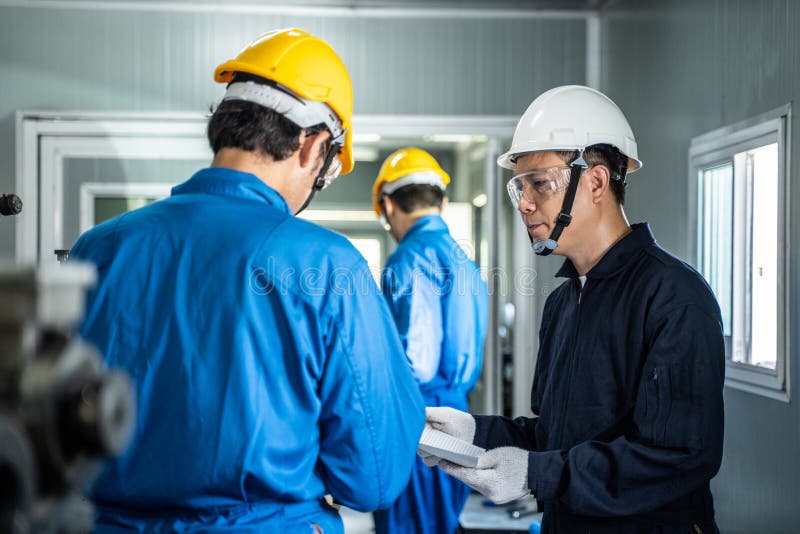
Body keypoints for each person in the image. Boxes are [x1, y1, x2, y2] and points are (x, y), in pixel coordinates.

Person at [69, 28, 425, 533]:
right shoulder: (327, 264)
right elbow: (374, 476)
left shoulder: (98, 248)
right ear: (313, 146)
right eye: (322, 174)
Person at [422, 85, 725, 533]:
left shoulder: (673, 296)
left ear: (597, 181)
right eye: (519, 187)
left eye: (540, 184)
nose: (525, 203)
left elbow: (677, 456)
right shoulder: (563, 302)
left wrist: (534, 474)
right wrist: (473, 433)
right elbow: (555, 438)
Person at [369, 148, 489, 534]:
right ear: (444, 201)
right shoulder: (464, 261)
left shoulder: (408, 259)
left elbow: (416, 363)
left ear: (387, 205)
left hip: (416, 423)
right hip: (457, 419)